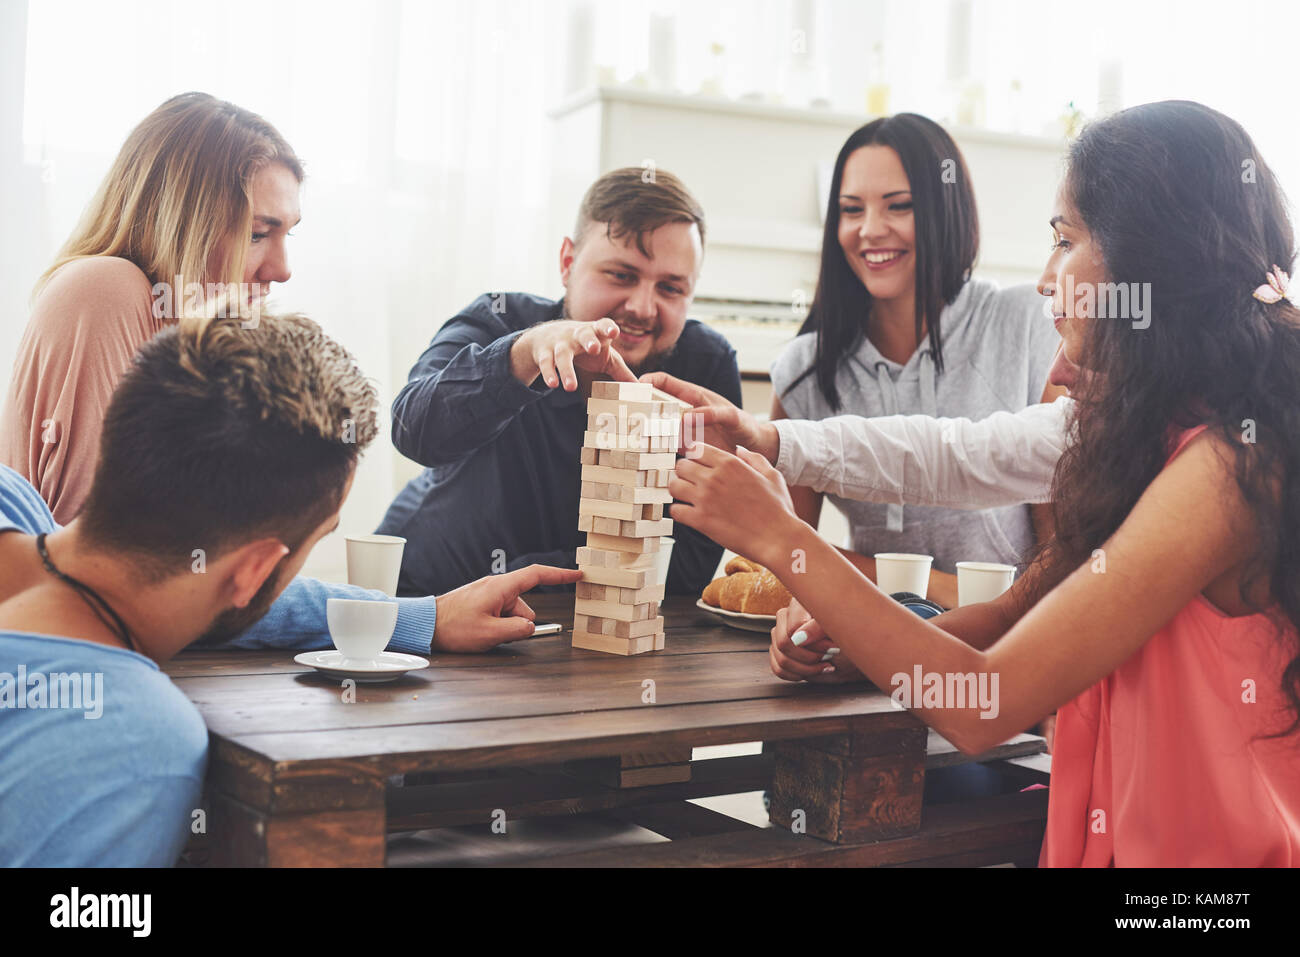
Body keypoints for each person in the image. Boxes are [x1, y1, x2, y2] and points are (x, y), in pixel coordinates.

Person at [664, 101, 1300, 866]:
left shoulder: (1228, 467)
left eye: (1065, 241)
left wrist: (782, 539)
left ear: (1148, 259)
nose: (1045, 279)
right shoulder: (1141, 439)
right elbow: (1000, 596)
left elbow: (985, 702)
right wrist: (856, 642)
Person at [0, 312, 581, 866]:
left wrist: (422, 618)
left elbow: (242, 596)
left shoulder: (14, 500)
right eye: (316, 537)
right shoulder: (131, 746)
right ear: (253, 572)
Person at [375, 167, 741, 597]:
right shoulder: (497, 318)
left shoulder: (707, 366)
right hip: (427, 601)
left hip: (593, 631)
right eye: (621, 276)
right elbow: (412, 430)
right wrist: (521, 356)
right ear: (567, 262)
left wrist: (543, 575)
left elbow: (687, 565)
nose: (643, 307)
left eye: (671, 288)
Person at [768, 114, 1064, 608]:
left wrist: (915, 589)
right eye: (850, 209)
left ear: (947, 211)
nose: (870, 230)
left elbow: (1061, 565)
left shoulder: (1027, 327)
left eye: (899, 206)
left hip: (1016, 645)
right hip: (871, 648)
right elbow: (783, 560)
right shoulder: (804, 372)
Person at [2, 92, 305, 524]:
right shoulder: (105, 292)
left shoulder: (198, 340)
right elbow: (97, 549)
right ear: (181, 223)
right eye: (257, 234)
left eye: (286, 235)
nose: (282, 271)